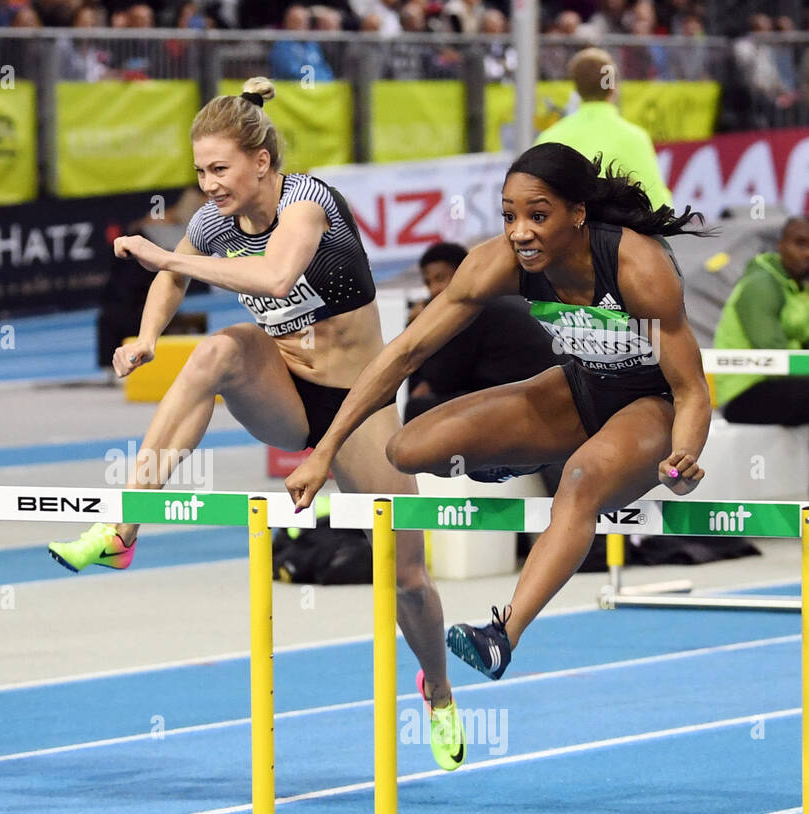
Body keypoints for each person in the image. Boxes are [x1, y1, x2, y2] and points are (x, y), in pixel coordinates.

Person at [49, 77, 466, 772]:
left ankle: (440, 691)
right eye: (200, 171)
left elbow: (275, 279)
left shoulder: (308, 203)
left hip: (356, 404)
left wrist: (164, 253)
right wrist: (150, 333)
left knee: (410, 577)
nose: (208, 185)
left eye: (220, 169)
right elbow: (175, 281)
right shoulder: (214, 224)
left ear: (262, 163)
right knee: (215, 350)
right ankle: (125, 522)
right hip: (285, 390)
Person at [285, 142, 712, 681]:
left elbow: (692, 389)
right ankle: (520, 460)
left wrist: (683, 455)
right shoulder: (499, 263)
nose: (520, 231)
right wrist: (324, 452)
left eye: (538, 216)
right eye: (509, 215)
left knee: (578, 482)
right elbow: (404, 352)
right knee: (408, 448)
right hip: (579, 390)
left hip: (651, 405)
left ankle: (501, 636)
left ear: (578, 214)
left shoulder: (635, 265)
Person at [406, 242, 561, 422]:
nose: (433, 290)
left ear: (461, 273)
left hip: (526, 401)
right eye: (428, 283)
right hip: (540, 393)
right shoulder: (504, 295)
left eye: (440, 278)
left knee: (417, 408)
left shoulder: (473, 308)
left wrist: (420, 327)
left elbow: (442, 381)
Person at [535, 48, 673, 212]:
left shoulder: (549, 137)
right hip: (614, 233)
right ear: (613, 88)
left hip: (564, 233)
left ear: (577, 89)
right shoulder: (633, 137)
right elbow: (659, 204)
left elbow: (536, 200)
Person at [713, 216, 809, 426]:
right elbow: (777, 357)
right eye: (800, 243)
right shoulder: (760, 286)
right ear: (780, 246)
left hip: (786, 385)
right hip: (743, 393)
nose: (807, 253)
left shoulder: (801, 289)